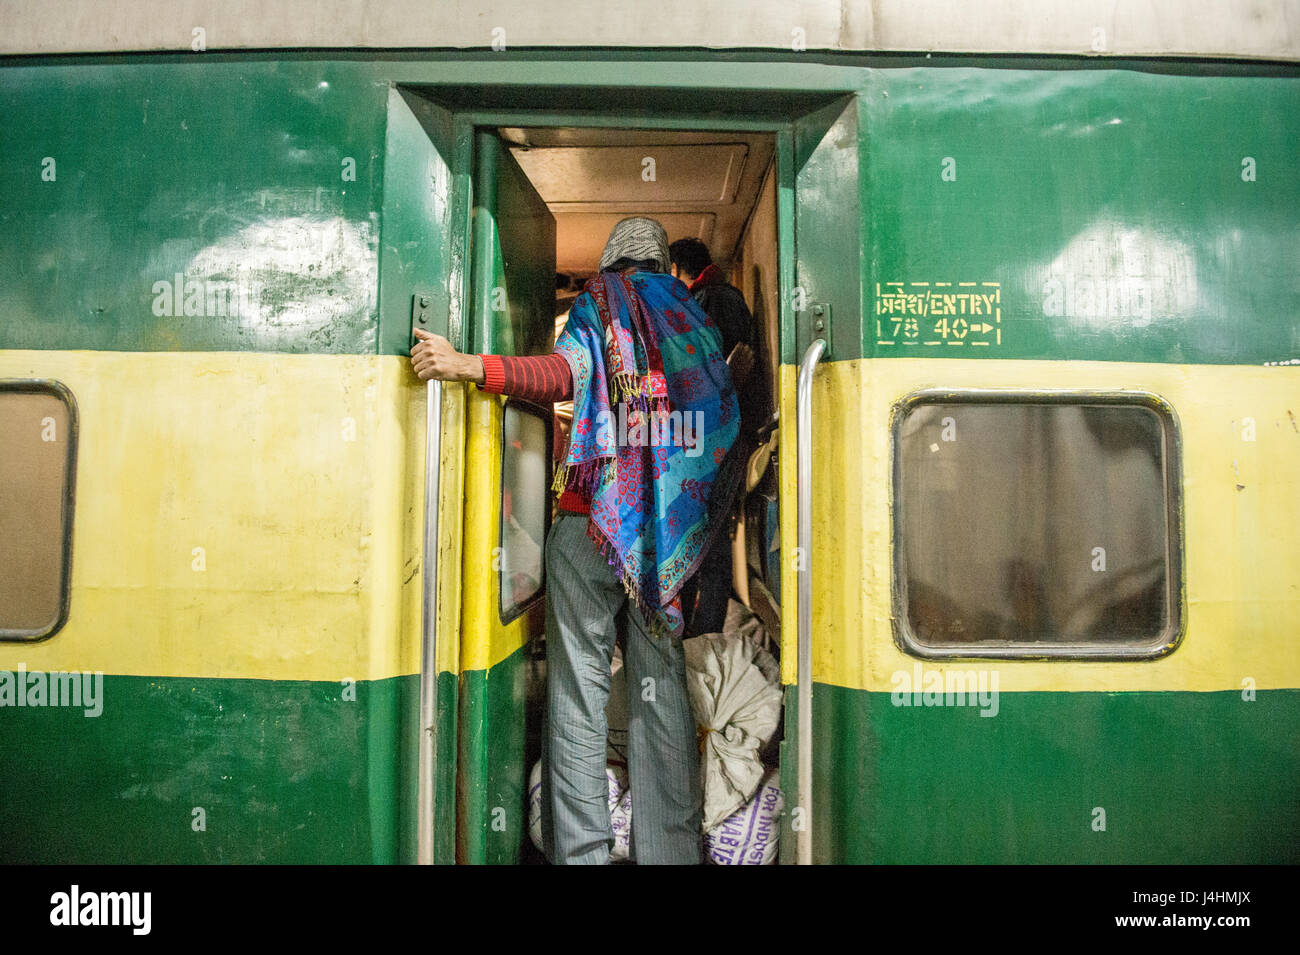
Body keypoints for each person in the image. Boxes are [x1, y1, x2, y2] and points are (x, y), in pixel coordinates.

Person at [410, 217, 739, 864]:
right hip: (658, 544)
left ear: (613, 262)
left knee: (578, 692)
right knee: (661, 691)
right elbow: (723, 424)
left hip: (589, 525)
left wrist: (468, 364)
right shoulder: (696, 324)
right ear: (665, 263)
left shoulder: (602, 304)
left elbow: (563, 375)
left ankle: (584, 852)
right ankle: (669, 852)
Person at [668, 238, 767, 636]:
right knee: (708, 535)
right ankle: (697, 632)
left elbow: (702, 374)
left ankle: (699, 635)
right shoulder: (727, 298)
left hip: (710, 439)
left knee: (702, 539)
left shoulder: (710, 299)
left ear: (677, 268)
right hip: (719, 437)